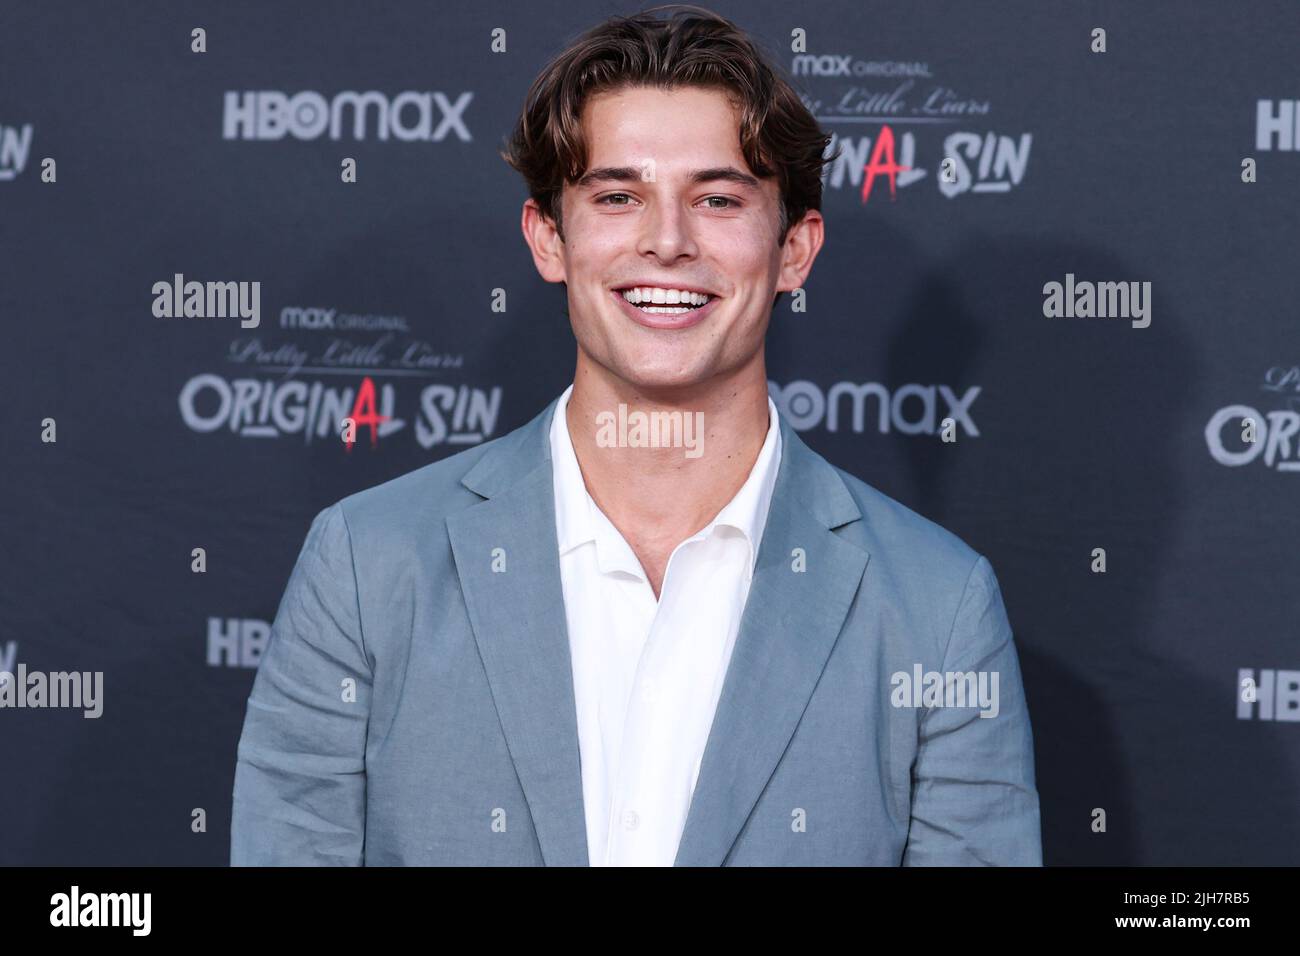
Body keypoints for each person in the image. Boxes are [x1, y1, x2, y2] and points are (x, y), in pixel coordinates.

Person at [231, 4, 1042, 866]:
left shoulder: (937, 606)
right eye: (618, 196)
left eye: (718, 198)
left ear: (794, 251)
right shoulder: (367, 565)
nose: (666, 242)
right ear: (551, 238)